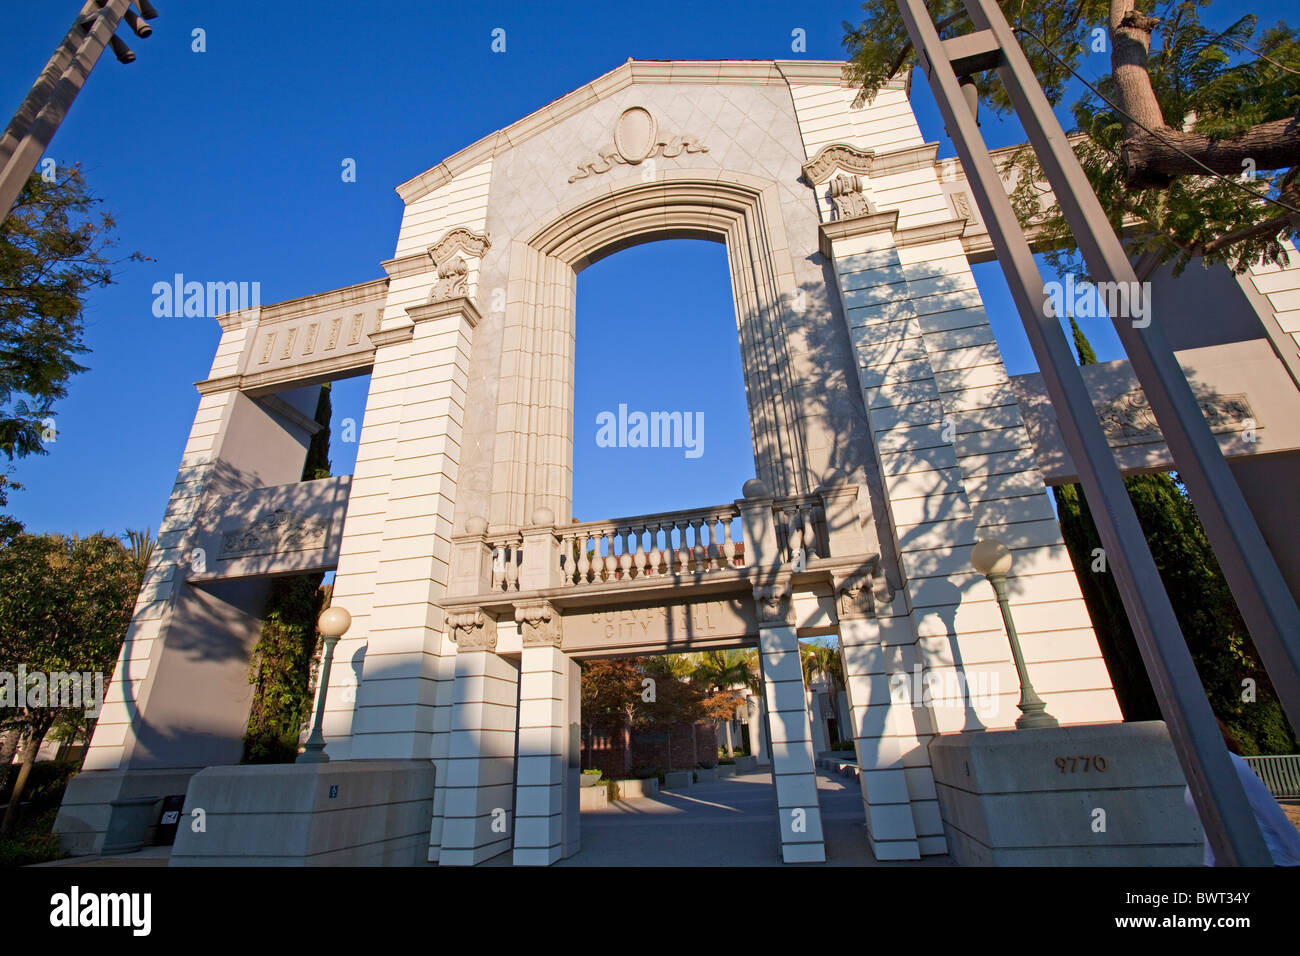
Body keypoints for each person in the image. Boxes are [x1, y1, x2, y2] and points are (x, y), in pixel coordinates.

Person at [1183, 719, 1300, 866]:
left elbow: (1270, 811)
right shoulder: (1201, 767)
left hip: (1270, 855)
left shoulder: (1228, 762)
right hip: (1237, 856)